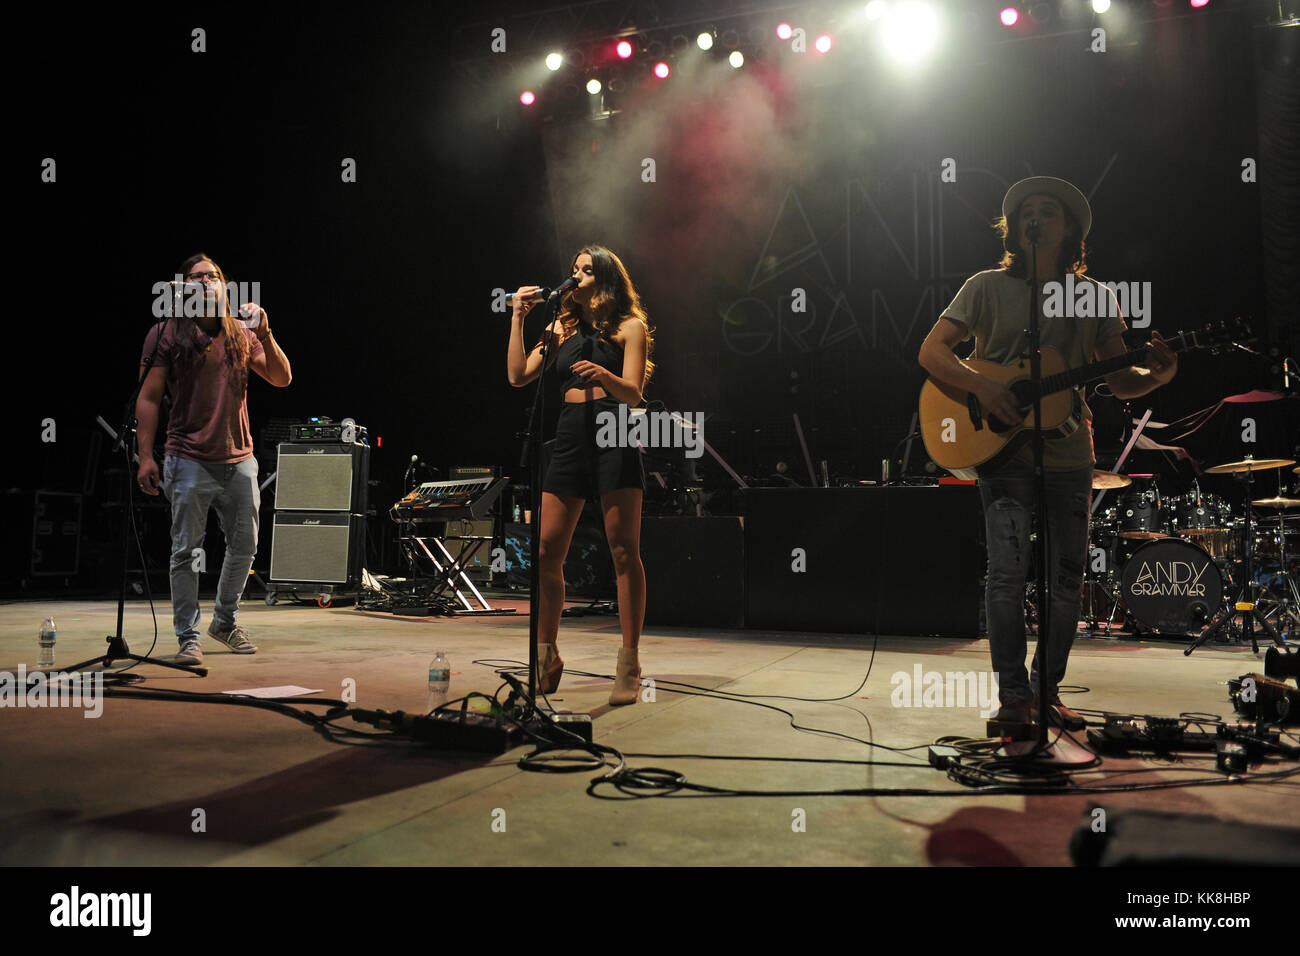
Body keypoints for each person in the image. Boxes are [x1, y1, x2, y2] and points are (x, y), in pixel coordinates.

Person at [918, 177, 1177, 729]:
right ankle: (1014, 698)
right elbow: (932, 351)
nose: (1035, 218)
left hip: (1067, 454)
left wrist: (1154, 378)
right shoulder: (984, 287)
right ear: (1014, 229)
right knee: (1007, 573)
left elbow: (1120, 379)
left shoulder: (1094, 297)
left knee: (1065, 578)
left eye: (1048, 211)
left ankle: (1047, 691)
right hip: (1001, 452)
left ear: (1070, 230)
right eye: (1025, 212)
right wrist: (983, 388)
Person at [507, 245, 653, 706]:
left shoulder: (630, 327)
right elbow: (517, 376)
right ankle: (546, 656)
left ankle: (629, 663)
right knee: (548, 549)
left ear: (606, 279)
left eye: (587, 270)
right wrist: (516, 318)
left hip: (614, 429)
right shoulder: (559, 327)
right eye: (574, 269)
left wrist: (602, 376)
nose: (576, 276)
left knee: (623, 549)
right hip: (569, 434)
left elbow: (633, 394)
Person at [136, 254, 292, 665]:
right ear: (183, 288)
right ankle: (188, 636)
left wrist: (267, 332)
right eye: (196, 277)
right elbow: (149, 398)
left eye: (214, 276)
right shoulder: (166, 332)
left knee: (246, 545)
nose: (206, 282)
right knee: (185, 550)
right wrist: (145, 456)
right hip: (187, 458)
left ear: (225, 285)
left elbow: (281, 377)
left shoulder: (242, 331)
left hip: (239, 459)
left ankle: (224, 621)